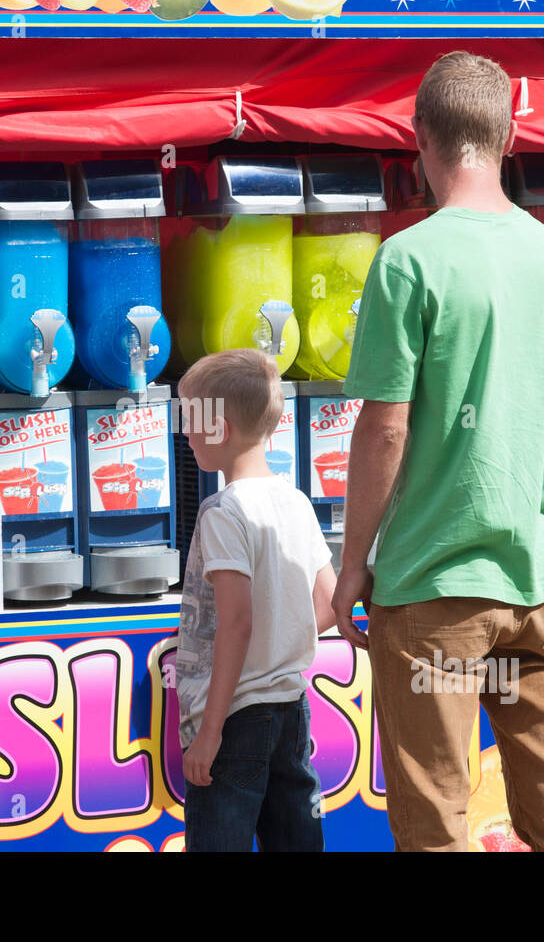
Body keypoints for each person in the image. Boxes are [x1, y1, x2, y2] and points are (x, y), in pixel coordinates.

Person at [331, 51, 544, 851]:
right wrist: (543, 539)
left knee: (435, 820)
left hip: (432, 589)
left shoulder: (408, 260)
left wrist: (352, 563)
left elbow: (385, 429)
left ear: (420, 138)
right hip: (532, 587)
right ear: (511, 134)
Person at [175, 349, 338, 852]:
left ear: (217, 428)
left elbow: (237, 622)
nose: (185, 433)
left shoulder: (223, 511)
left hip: (234, 720)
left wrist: (209, 733)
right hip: (292, 709)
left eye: (190, 419)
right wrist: (278, 646)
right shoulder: (296, 500)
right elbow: (330, 603)